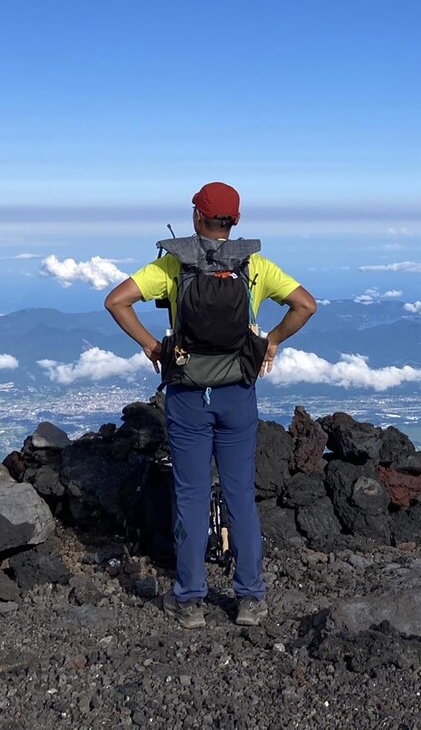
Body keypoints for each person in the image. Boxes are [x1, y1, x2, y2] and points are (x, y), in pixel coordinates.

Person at [104, 181, 316, 629]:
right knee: (240, 495)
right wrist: (270, 343)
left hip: (187, 397)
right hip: (238, 394)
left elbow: (116, 301)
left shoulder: (173, 265)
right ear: (234, 221)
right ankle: (251, 598)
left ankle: (190, 601)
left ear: (197, 217)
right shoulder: (254, 266)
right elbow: (305, 305)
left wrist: (152, 347)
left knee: (191, 496)